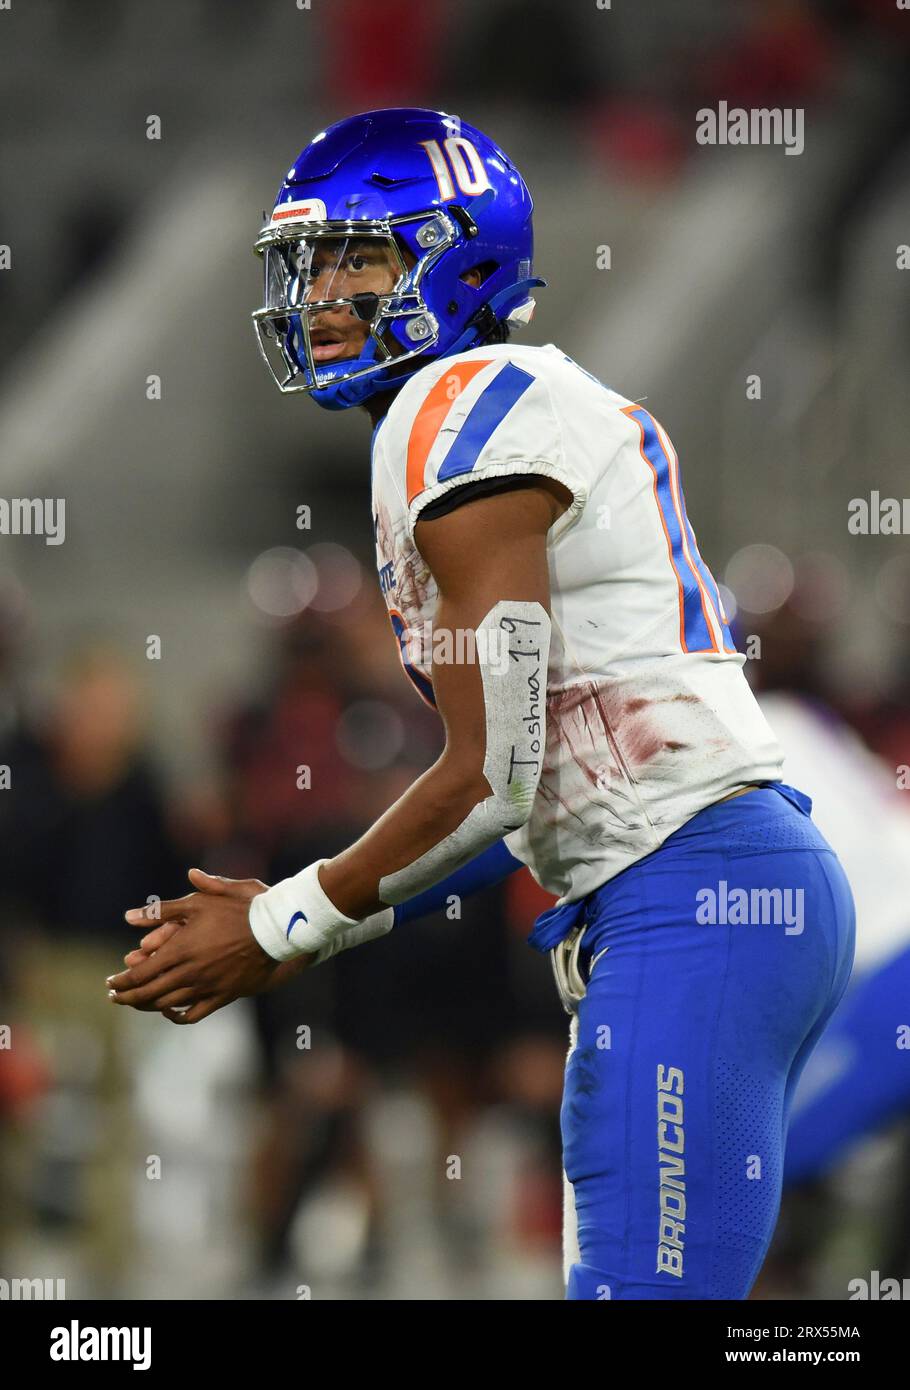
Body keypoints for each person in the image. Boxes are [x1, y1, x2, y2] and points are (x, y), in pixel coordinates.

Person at [107, 107, 855, 1300]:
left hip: (690, 895)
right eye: (311, 263)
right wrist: (314, 918)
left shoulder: (454, 410)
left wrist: (279, 925)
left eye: (358, 255)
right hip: (704, 894)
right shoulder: (483, 403)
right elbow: (515, 798)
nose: (322, 293)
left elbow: (491, 771)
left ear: (458, 258)